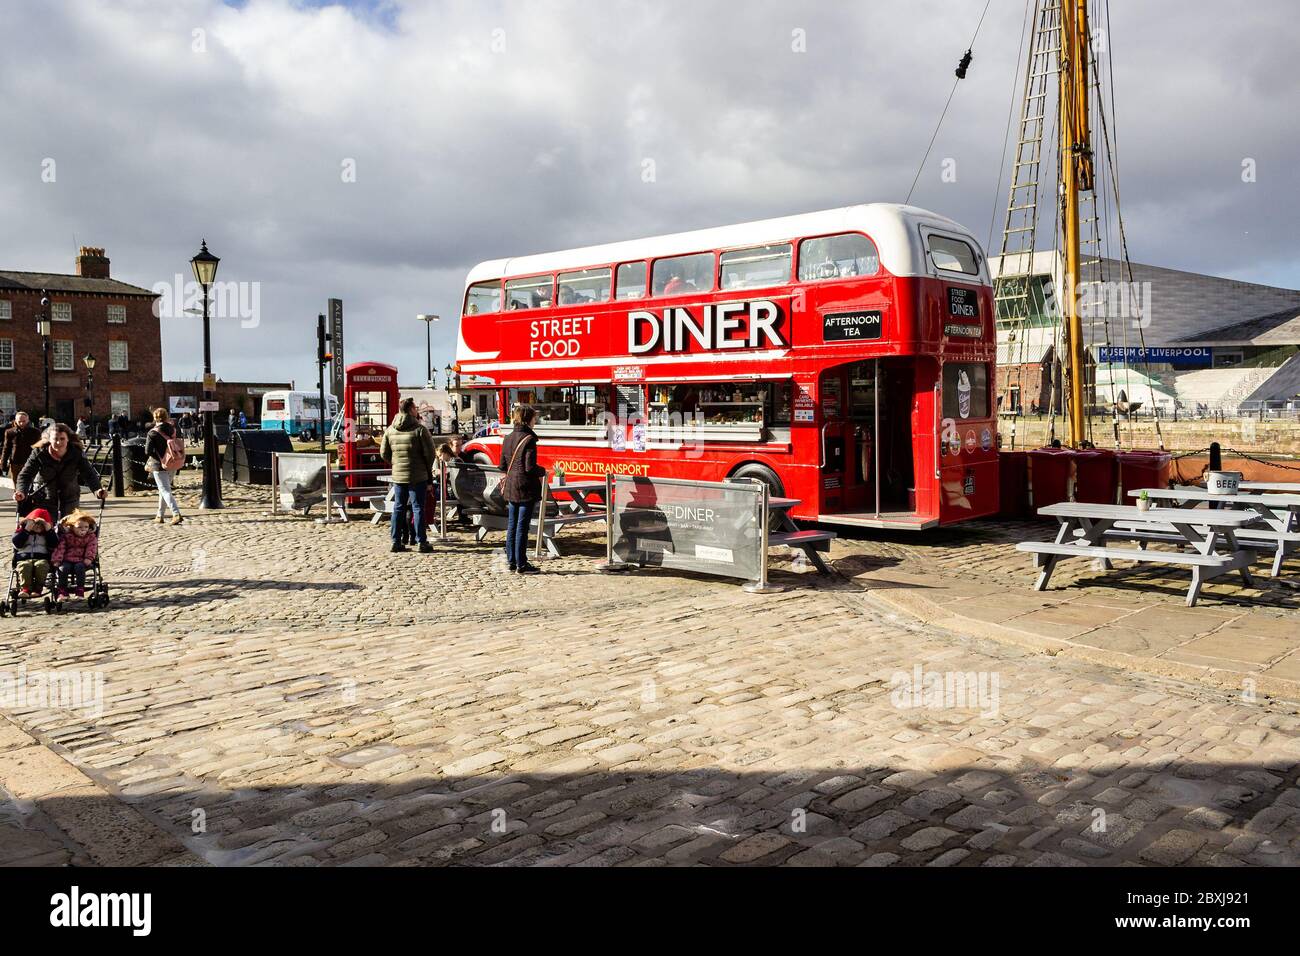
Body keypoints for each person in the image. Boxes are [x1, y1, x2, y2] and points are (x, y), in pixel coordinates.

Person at [14, 423, 106, 523]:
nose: (58, 442)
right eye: (55, 439)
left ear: (68, 439)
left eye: (62, 438)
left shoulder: (76, 453)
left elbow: (89, 474)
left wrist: (98, 490)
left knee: (68, 533)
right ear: (49, 439)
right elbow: (26, 475)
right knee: (46, 533)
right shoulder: (39, 453)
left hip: (70, 500)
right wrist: (21, 491)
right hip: (44, 500)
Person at [379, 397, 435, 553]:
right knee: (418, 508)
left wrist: (396, 464)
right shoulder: (419, 430)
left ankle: (396, 541)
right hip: (418, 476)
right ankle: (421, 542)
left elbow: (383, 453)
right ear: (411, 410)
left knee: (398, 508)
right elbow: (430, 454)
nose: (417, 410)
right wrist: (425, 467)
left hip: (398, 476)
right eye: (415, 408)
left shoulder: (390, 430)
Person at [500, 405, 545, 574]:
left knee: (512, 525)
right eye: (534, 418)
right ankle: (522, 563)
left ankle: (511, 561)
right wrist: (543, 471)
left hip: (511, 485)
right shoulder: (529, 439)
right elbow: (529, 467)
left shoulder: (508, 437)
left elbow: (502, 465)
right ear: (528, 420)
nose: (536, 421)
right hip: (525, 487)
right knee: (522, 527)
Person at [145, 408, 186, 525]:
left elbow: (147, 451)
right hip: (173, 462)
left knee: (165, 490)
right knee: (163, 490)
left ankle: (176, 513)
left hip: (159, 465)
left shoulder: (152, 432)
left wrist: (159, 457)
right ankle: (160, 515)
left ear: (155, 418)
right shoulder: (172, 429)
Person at [52, 508, 98, 601]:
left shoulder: (90, 536)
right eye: (79, 527)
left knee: (80, 568)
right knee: (62, 569)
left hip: (81, 559)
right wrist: (57, 559)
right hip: (67, 559)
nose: (83, 530)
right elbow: (60, 548)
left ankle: (80, 589)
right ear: (72, 526)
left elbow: (92, 548)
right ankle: (62, 590)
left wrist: (89, 558)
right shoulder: (67, 536)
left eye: (86, 527)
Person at [12, 508, 57, 598]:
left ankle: (38, 588)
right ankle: (25, 588)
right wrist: (27, 529)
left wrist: (48, 529)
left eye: (41, 525)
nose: (37, 526)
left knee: (42, 566)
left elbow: (54, 544)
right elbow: (17, 543)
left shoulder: (48, 534)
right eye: (35, 524)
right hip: (24, 558)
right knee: (25, 566)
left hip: (42, 558)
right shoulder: (22, 532)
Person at [1, 410, 42, 484]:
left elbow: (39, 448)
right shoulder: (10, 432)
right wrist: (3, 464)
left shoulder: (35, 432)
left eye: (24, 421)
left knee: (29, 485)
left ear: (28, 420)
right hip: (15, 462)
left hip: (30, 462)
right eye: (19, 421)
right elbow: (6, 448)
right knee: (17, 486)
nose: (22, 423)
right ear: (15, 421)